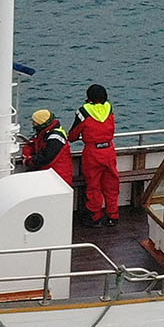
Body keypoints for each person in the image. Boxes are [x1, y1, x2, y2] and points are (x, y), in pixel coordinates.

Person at [68, 84, 120, 226]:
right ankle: (113, 216)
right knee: (111, 185)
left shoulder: (83, 111)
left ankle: (95, 217)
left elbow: (72, 135)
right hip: (109, 150)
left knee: (93, 186)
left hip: (93, 152)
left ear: (89, 97)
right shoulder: (109, 108)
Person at [20, 108, 75, 182]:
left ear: (42, 123)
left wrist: (29, 161)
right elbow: (32, 144)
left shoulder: (55, 138)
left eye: (35, 122)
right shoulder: (44, 133)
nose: (33, 124)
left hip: (58, 175)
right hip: (49, 173)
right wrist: (27, 153)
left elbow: (46, 158)